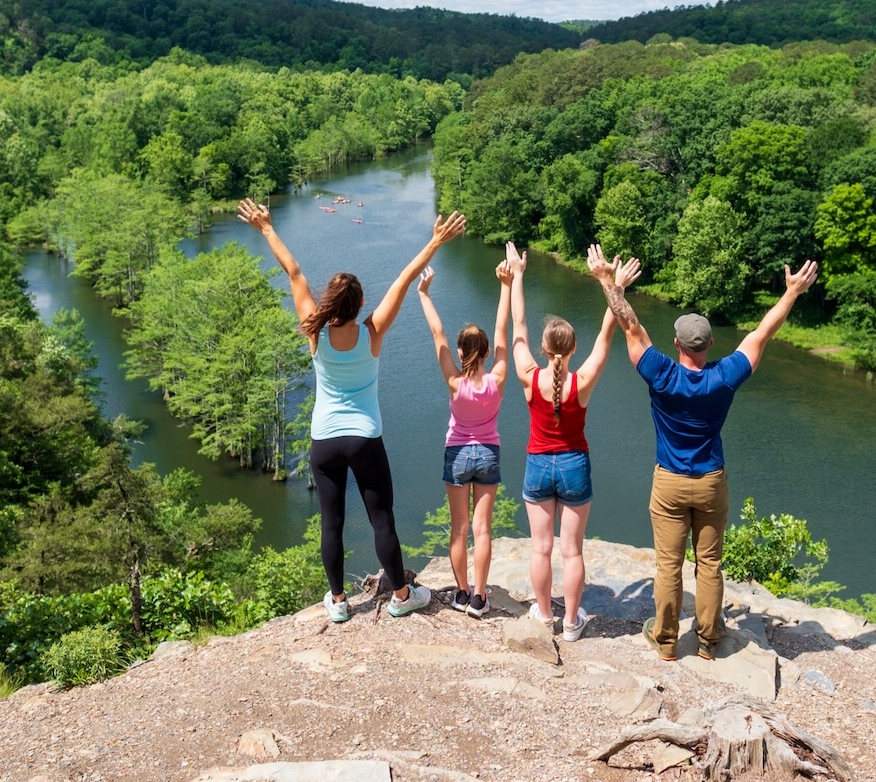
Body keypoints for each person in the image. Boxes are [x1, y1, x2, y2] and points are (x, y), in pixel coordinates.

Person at [238, 198, 467, 623]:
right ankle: (402, 595)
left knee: (331, 523)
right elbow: (404, 278)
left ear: (329, 301)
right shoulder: (372, 331)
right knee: (382, 520)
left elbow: (294, 273)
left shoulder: (315, 331)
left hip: (324, 440)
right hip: (364, 438)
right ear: (361, 304)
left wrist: (267, 228)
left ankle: (339, 601)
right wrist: (435, 240)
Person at [587, 243, 819, 661]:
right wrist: (791, 292)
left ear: (676, 343)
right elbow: (761, 334)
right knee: (709, 563)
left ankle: (666, 640)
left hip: (670, 482)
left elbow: (630, 326)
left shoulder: (661, 373)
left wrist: (608, 281)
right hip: (711, 481)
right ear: (711, 342)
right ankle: (709, 640)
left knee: (668, 565)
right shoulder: (725, 376)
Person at [507, 241, 616, 642]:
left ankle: (543, 615)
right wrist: (610, 285)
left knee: (541, 548)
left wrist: (518, 276)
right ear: (572, 349)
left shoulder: (529, 377)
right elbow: (607, 333)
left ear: (544, 348)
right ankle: (571, 623)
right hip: (574, 466)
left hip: (538, 464)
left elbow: (518, 327)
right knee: (572, 551)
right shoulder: (581, 383)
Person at [415, 258, 514, 617]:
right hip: (488, 453)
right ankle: (480, 597)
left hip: (457, 453)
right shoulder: (497, 379)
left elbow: (437, 334)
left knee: (459, 528)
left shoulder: (455, 382)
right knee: (482, 528)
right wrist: (506, 285)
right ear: (487, 353)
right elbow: (501, 330)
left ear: (460, 353)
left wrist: (424, 294)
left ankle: (461, 592)